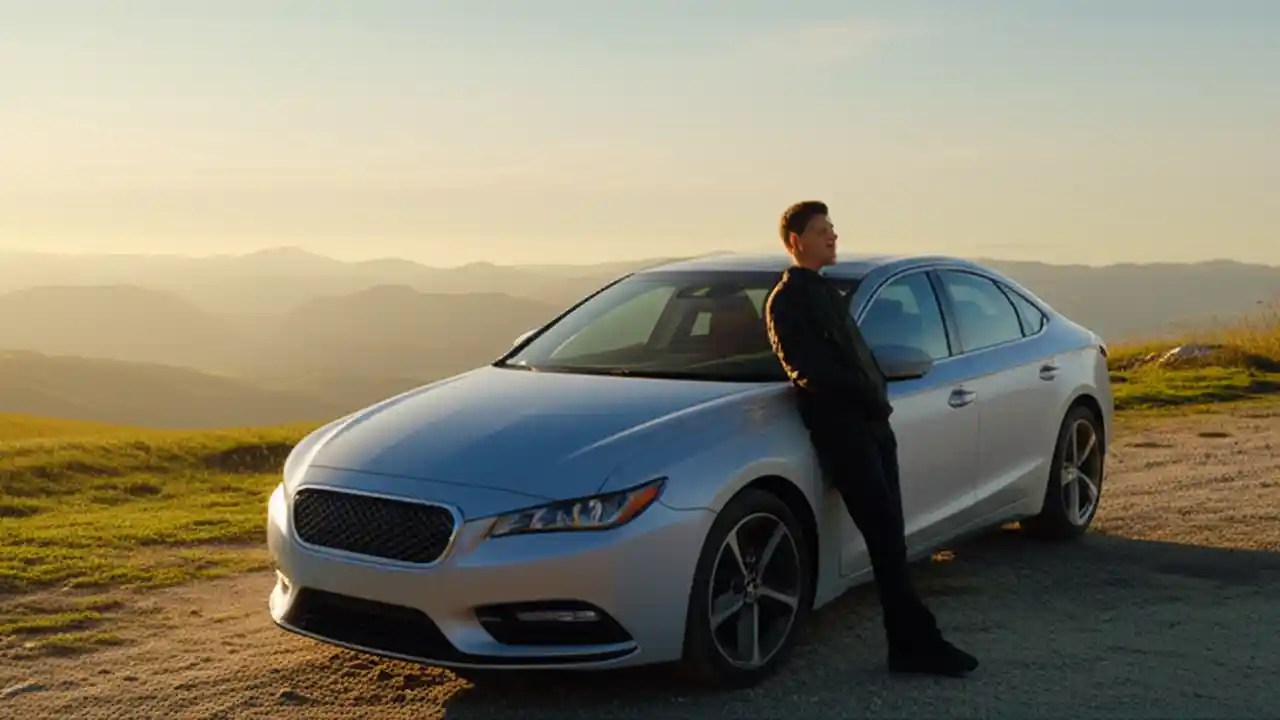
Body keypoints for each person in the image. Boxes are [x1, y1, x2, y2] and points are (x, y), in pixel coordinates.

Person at [764, 200, 979, 677]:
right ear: (797, 241)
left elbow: (854, 360)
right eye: (822, 231)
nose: (833, 237)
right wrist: (864, 395)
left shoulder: (823, 292)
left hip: (871, 426)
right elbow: (806, 369)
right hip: (844, 432)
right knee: (884, 540)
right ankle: (917, 644)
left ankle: (911, 644)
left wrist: (874, 400)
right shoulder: (787, 300)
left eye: (833, 229)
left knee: (891, 541)